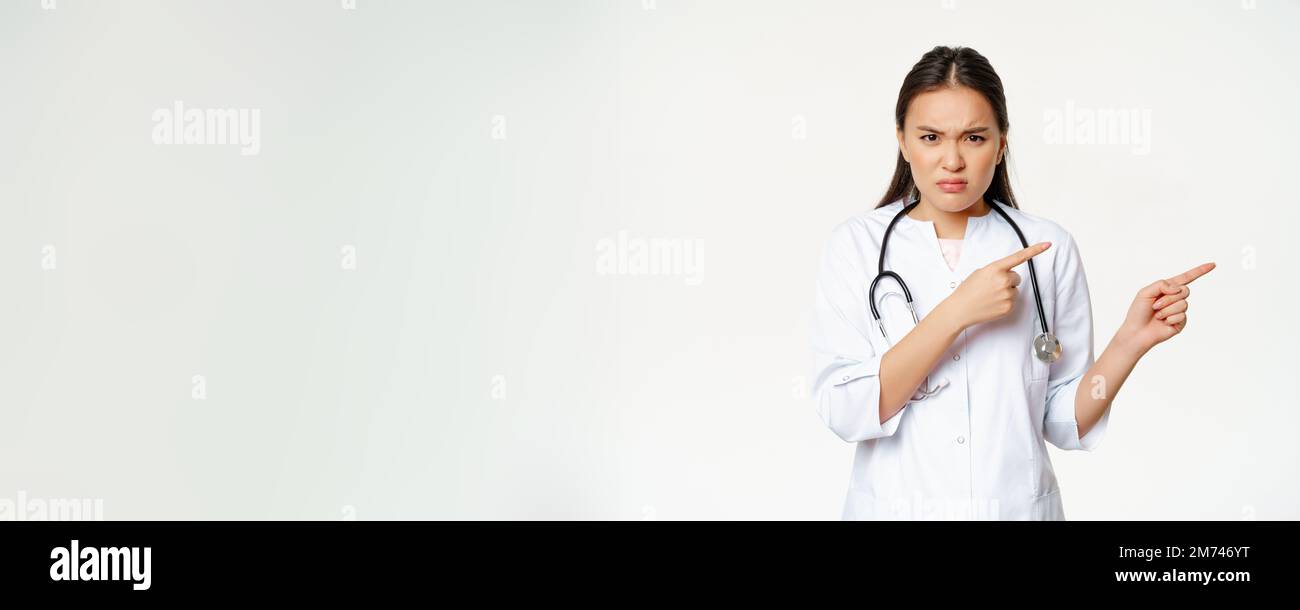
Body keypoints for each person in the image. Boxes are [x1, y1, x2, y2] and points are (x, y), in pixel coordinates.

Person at [810, 46, 1214, 520]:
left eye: (974, 138)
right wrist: (956, 312)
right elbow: (845, 410)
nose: (952, 160)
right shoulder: (855, 246)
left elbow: (1063, 421)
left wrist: (1130, 341)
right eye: (931, 137)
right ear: (902, 141)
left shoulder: (1048, 248)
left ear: (1001, 143)